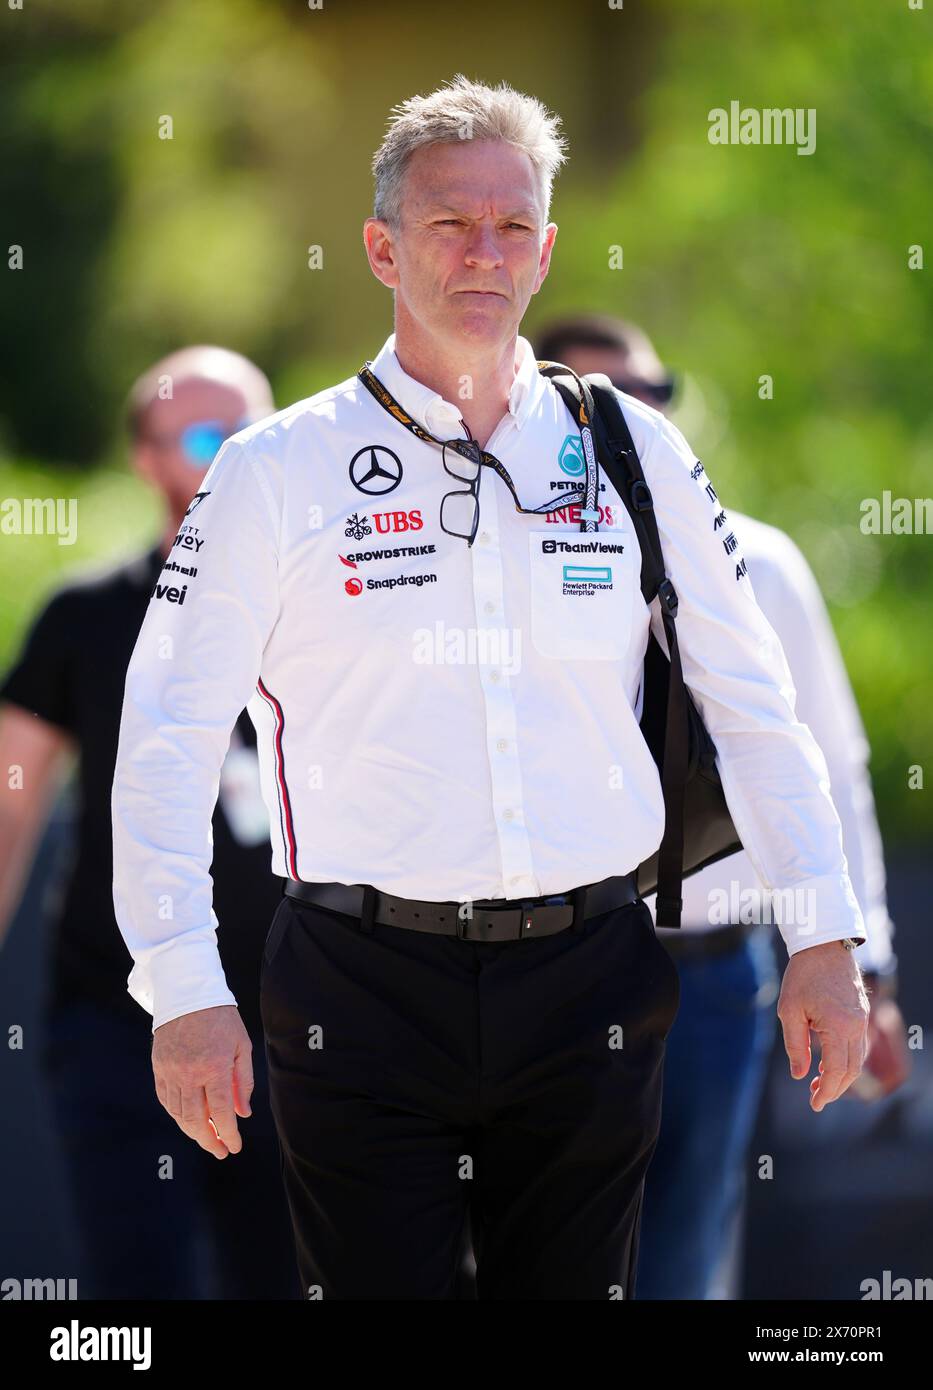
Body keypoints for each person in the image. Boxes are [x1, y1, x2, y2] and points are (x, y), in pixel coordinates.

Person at [111, 75, 872, 1302]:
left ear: (548, 247)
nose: (484, 252)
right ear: (381, 247)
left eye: (513, 226)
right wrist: (183, 987)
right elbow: (166, 739)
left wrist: (825, 933)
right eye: (450, 223)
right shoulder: (274, 470)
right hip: (357, 984)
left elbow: (753, 700)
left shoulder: (632, 446)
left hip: (593, 980)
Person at [534, 313, 908, 1299]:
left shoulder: (762, 561)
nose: (620, 426)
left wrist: (860, 958)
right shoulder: (494, 571)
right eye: (585, 402)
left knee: (688, 1254)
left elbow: (831, 761)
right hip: (544, 960)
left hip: (713, 969)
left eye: (644, 399)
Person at [0, 346, 297, 1299]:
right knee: (138, 1288)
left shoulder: (333, 608)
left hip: (300, 1021)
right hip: (119, 1019)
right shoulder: (85, 616)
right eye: (206, 438)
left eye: (249, 434)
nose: (229, 461)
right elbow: (12, 803)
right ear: (145, 457)